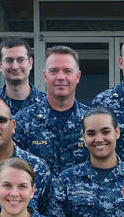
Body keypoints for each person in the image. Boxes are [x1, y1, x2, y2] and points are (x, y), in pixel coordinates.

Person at [48, 106, 124, 217]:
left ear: (117, 132)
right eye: (91, 133)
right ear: (83, 136)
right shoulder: (67, 180)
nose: (99, 139)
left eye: (106, 132)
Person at [15, 45, 91, 174]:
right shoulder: (23, 121)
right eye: (54, 71)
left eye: (67, 71)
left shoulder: (91, 121)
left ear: (77, 77)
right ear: (45, 76)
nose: (61, 77)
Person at [0, 38, 48, 114]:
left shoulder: (49, 105)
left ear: (30, 63)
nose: (15, 66)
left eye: (21, 60)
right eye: (9, 60)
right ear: (0, 65)